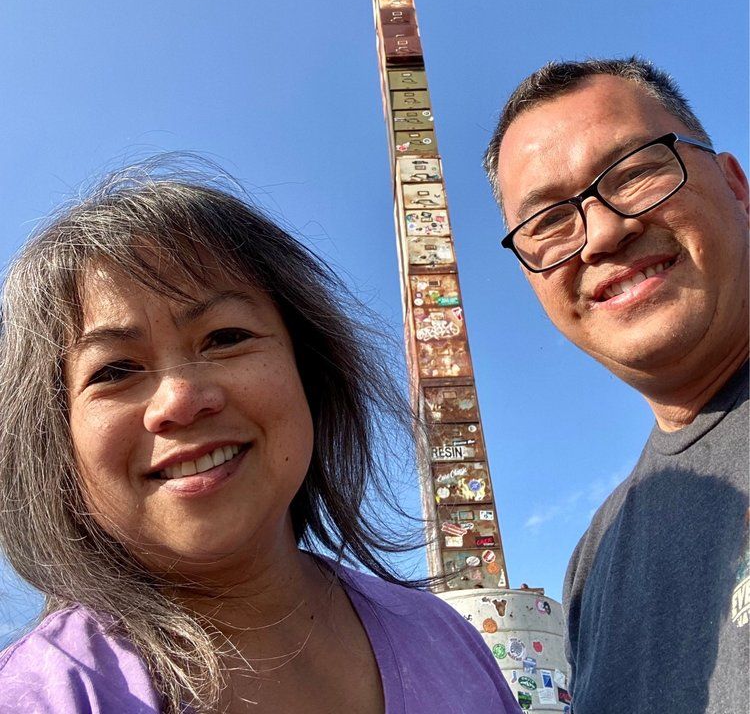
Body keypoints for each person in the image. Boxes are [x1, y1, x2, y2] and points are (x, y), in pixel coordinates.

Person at [0, 163, 519, 714]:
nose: (179, 399)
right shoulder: (42, 693)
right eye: (113, 370)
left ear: (309, 369)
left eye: (225, 337)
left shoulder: (446, 640)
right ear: (56, 442)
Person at [483, 57, 749, 714]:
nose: (602, 234)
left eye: (634, 173)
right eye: (548, 222)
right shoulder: (594, 564)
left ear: (735, 185)